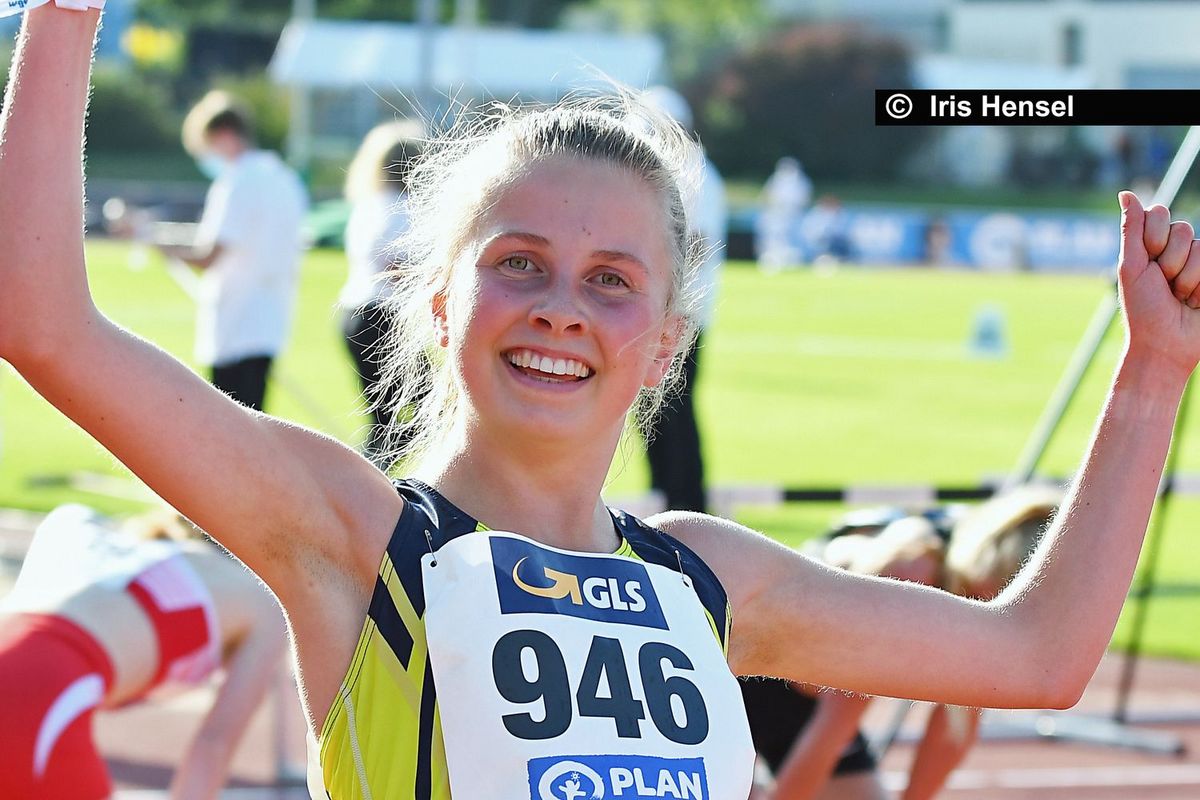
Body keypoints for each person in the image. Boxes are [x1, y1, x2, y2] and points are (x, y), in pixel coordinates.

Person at [4, 5, 1200, 799]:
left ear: (663, 343)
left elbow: (1040, 654)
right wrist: (64, 15)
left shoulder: (707, 576)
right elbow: (41, 319)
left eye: (612, 280)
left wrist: (1152, 371)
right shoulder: (356, 533)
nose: (562, 306)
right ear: (434, 302)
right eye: (518, 261)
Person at [743, 486, 1060, 800]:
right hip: (746, 675)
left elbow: (953, 731)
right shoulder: (911, 571)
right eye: (1003, 592)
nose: (1003, 610)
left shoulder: (980, 597)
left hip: (804, 704)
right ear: (987, 563)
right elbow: (833, 724)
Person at [0, 503, 288, 799]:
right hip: (44, 688)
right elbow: (214, 745)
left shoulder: (124, 547)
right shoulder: (263, 603)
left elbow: (67, 516)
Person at [157, 89, 308, 412]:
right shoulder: (285, 178)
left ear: (223, 136)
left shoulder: (237, 182)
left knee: (229, 423)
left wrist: (159, 244)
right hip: (271, 315)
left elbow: (209, 255)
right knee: (255, 417)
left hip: (236, 319)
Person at [638, 85, 727, 512]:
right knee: (656, 416)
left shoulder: (691, 174)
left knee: (671, 413)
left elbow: (694, 245)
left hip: (679, 316)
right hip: (671, 313)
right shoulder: (689, 171)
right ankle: (670, 503)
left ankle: (686, 506)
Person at [340, 120, 424, 464]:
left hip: (356, 314)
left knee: (386, 420)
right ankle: (367, 484)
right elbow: (395, 266)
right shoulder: (403, 209)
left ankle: (370, 479)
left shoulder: (368, 205)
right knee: (425, 411)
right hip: (382, 319)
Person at [756, 156, 811, 271]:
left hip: (793, 218)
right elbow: (767, 197)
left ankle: (790, 262)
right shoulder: (776, 180)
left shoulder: (801, 182)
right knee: (773, 241)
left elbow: (803, 201)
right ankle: (772, 261)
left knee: (791, 241)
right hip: (775, 217)